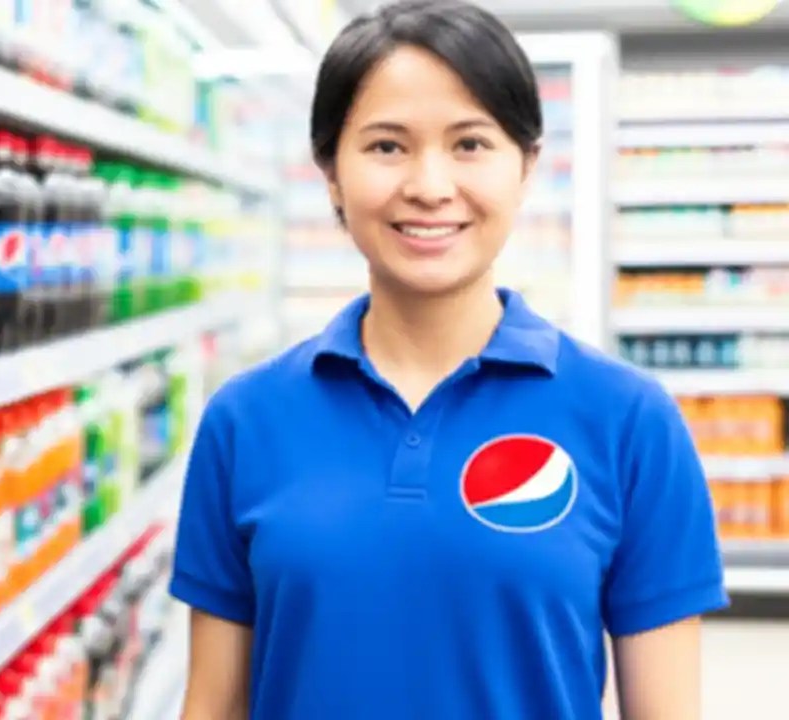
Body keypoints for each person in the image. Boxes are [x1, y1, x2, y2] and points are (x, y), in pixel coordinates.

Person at [169, 1, 728, 718]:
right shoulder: (246, 421)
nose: (430, 187)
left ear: (525, 166)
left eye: (470, 144)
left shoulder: (628, 421)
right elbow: (213, 703)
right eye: (386, 147)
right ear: (331, 173)